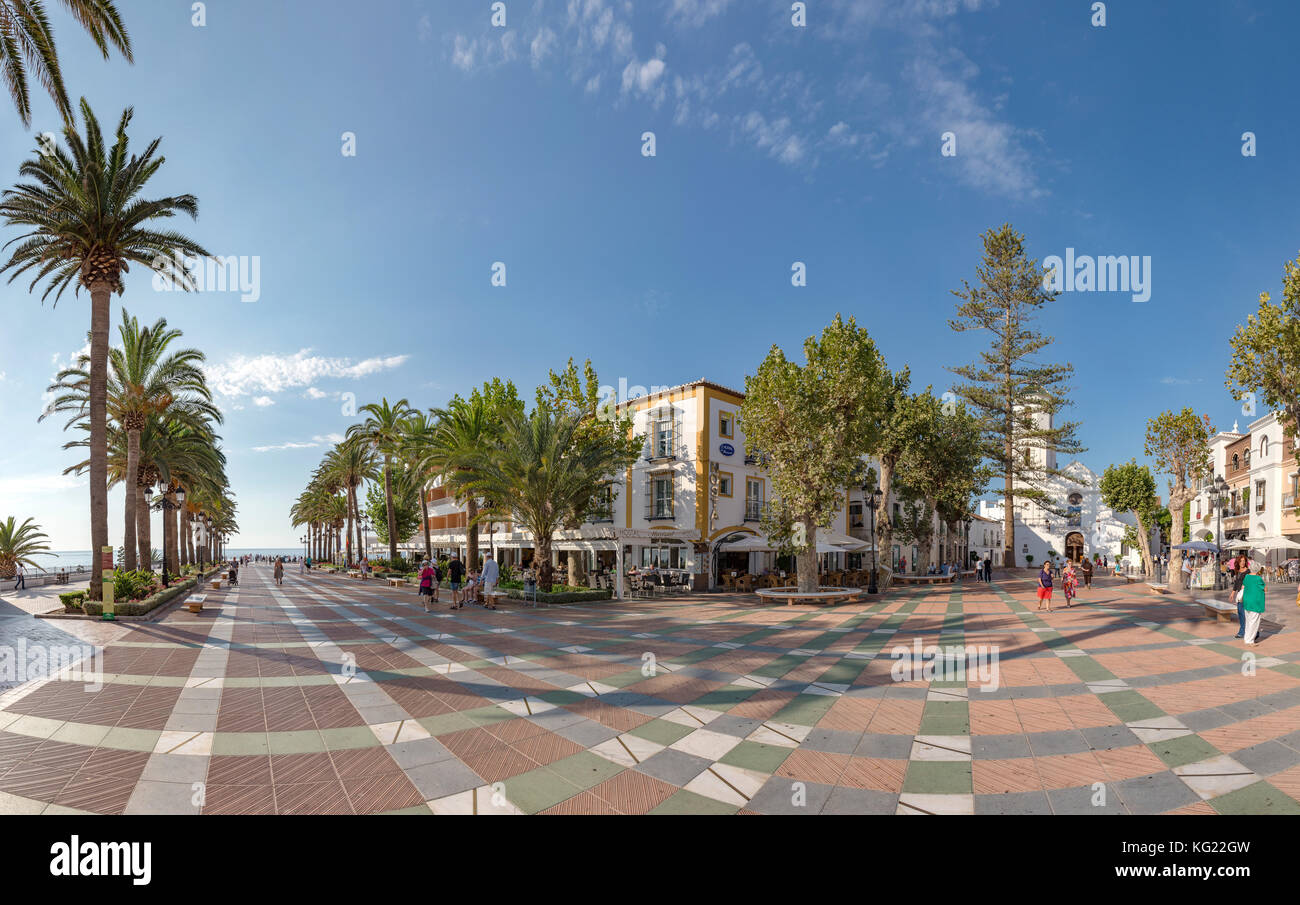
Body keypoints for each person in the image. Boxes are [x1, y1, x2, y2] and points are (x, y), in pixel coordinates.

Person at [1241, 563, 1267, 645]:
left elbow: (1243, 586)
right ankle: (1250, 640)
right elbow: (1265, 589)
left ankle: (1247, 638)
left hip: (1247, 601)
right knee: (1254, 622)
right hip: (1255, 602)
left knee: (1248, 621)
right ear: (1258, 569)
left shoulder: (1247, 577)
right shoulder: (1258, 579)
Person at [1231, 554, 1249, 639]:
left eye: (1244, 561)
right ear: (1238, 562)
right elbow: (1236, 583)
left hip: (1247, 595)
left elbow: (1251, 582)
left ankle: (1250, 631)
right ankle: (1242, 631)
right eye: (1241, 561)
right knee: (1240, 613)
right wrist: (1233, 593)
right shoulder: (1238, 571)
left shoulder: (1248, 571)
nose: (1242, 562)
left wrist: (1246, 585)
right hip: (1240, 595)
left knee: (1248, 615)